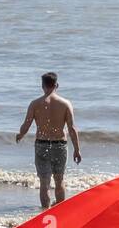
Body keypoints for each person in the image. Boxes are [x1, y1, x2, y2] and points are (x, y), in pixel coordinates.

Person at [16, 72, 80, 209]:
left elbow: (26, 125)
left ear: (42, 86)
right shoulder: (65, 104)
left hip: (42, 144)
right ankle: (60, 212)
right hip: (60, 145)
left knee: (44, 182)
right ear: (56, 85)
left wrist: (20, 135)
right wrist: (77, 149)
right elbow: (72, 128)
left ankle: (45, 213)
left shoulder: (35, 104)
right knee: (59, 180)